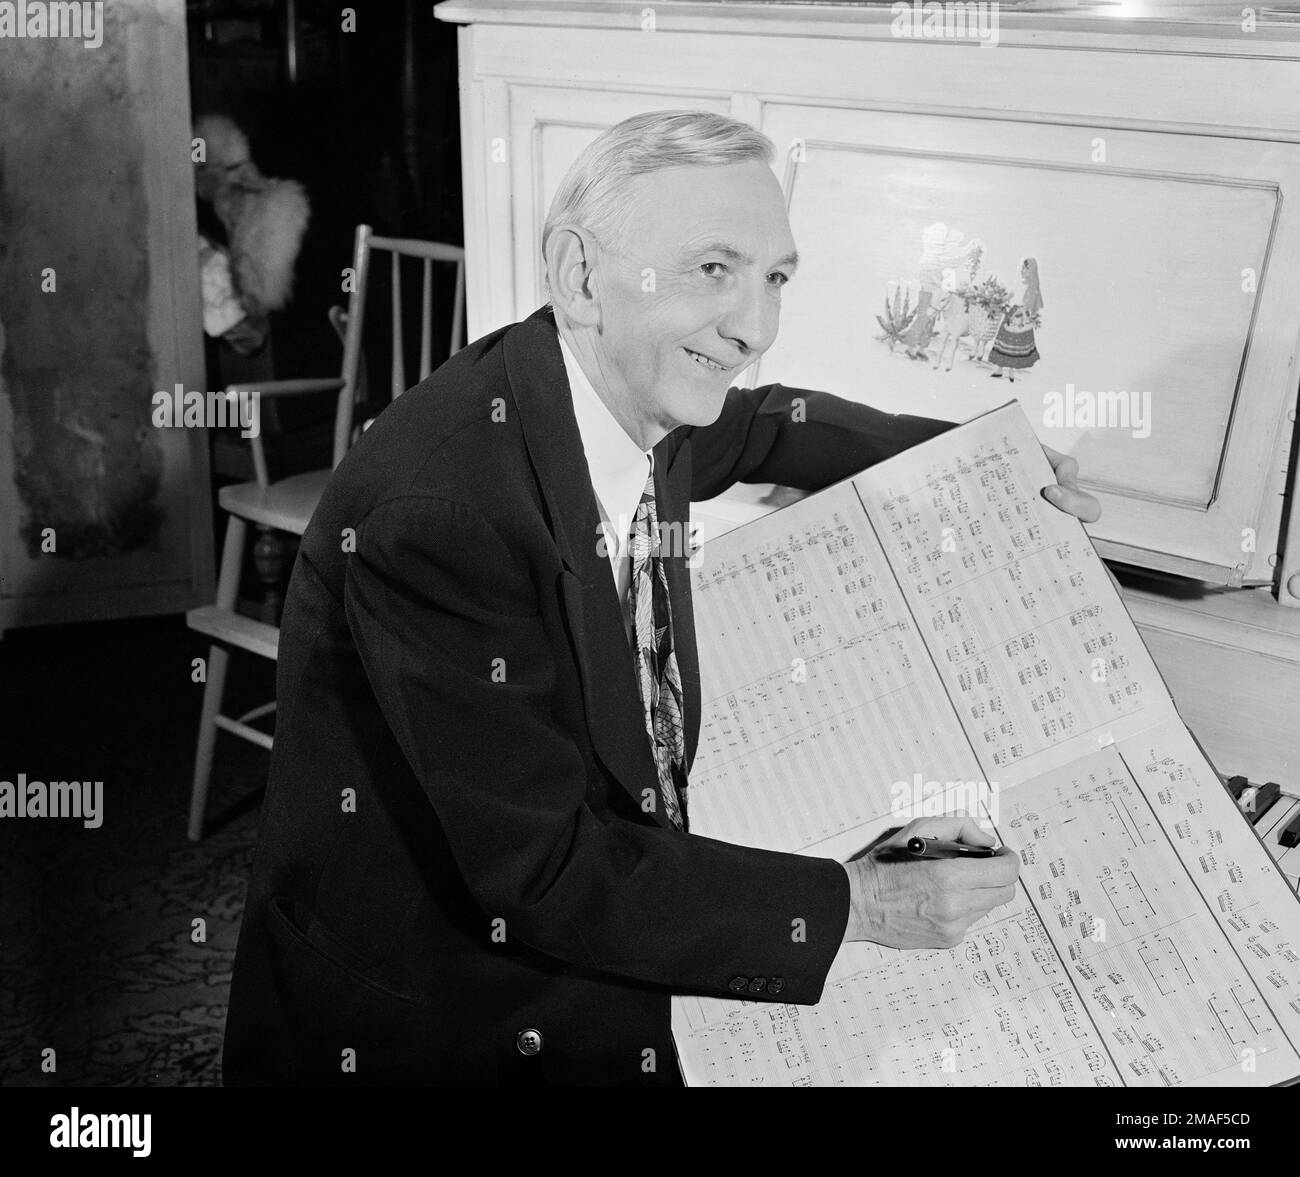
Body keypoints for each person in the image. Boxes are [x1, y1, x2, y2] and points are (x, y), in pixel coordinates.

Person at [222, 111, 1100, 1086]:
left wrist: (980, 457)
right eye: (711, 270)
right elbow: (547, 874)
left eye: (773, 277)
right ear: (580, 275)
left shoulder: (624, 383)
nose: (754, 327)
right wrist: (859, 905)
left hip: (571, 911)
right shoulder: (440, 514)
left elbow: (768, 425)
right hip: (438, 1005)